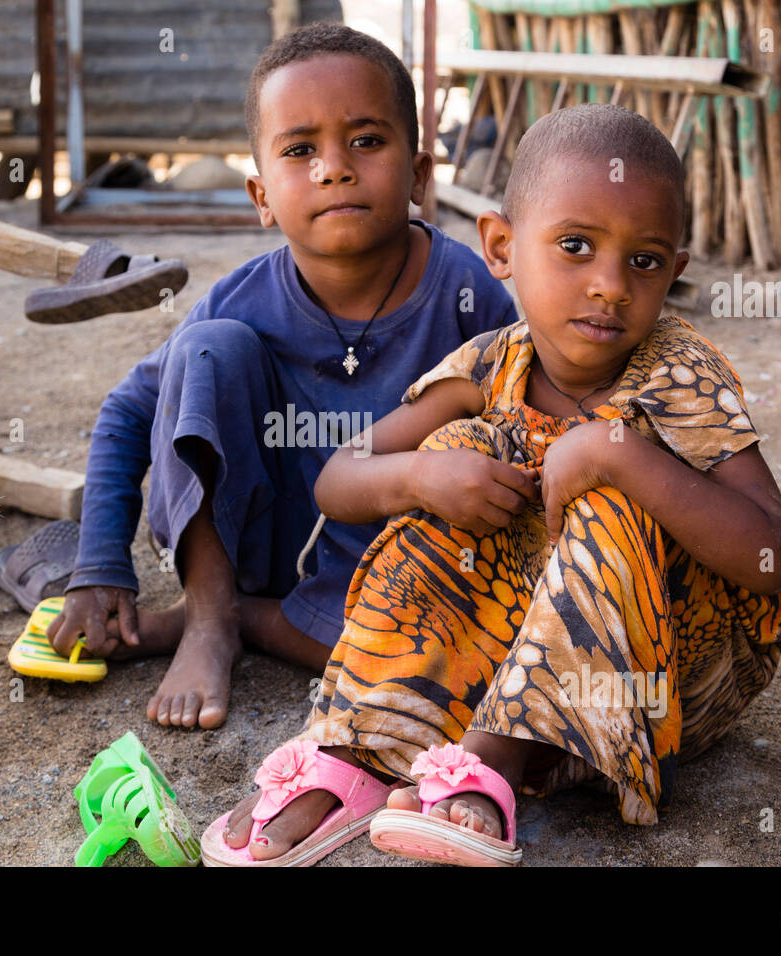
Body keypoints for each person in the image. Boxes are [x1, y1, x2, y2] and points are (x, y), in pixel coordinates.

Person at [203, 103, 781, 866]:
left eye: (644, 261)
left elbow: (770, 559)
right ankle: (362, 745)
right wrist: (422, 474)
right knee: (454, 449)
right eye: (576, 246)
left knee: (606, 487)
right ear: (502, 247)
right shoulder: (491, 363)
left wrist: (619, 454)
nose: (611, 286)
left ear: (674, 272)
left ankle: (491, 760)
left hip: (671, 683)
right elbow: (339, 480)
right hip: (542, 683)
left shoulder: (679, 374)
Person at [47, 23, 519, 730]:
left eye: (366, 141)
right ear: (262, 194)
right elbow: (125, 413)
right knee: (207, 349)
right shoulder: (242, 297)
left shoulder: (472, 293)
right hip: (261, 544)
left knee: (444, 663)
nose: (334, 168)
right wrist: (100, 564)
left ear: (421, 176)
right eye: (300, 151)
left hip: (403, 574)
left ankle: (243, 622)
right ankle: (208, 616)